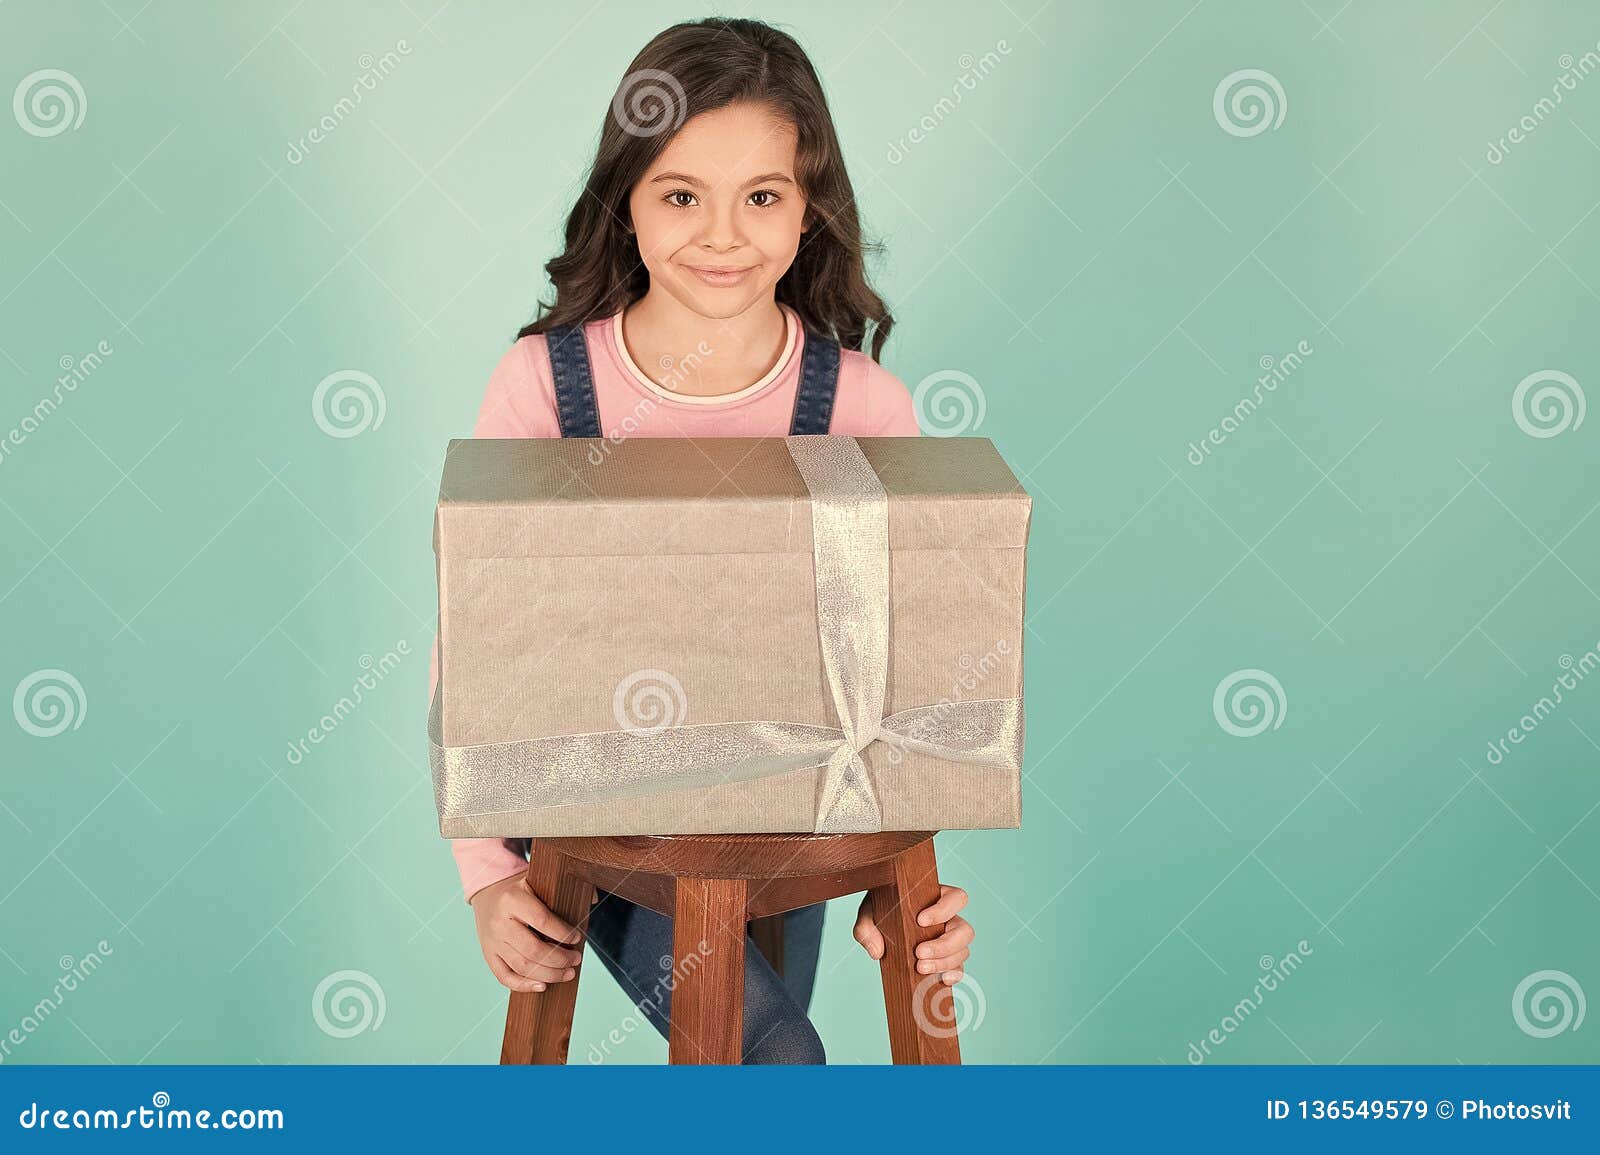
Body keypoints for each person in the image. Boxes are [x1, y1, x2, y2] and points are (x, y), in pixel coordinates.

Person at [438, 17, 973, 1064]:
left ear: (809, 210)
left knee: (743, 1077)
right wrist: (486, 868)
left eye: (761, 197)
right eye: (681, 195)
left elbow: (911, 663)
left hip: (798, 815)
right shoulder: (547, 388)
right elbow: (478, 634)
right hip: (608, 821)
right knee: (778, 1061)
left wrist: (907, 874)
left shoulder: (861, 406)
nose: (722, 235)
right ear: (625, 203)